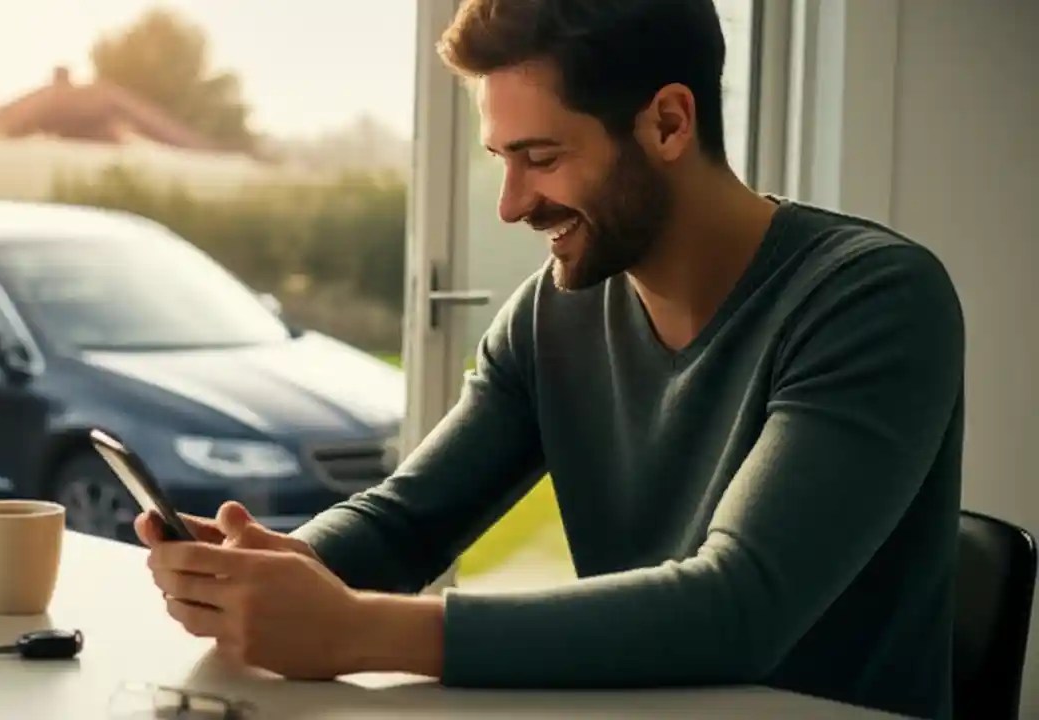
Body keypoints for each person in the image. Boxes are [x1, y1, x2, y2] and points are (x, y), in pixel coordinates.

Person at [135, 1, 964, 717]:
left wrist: (357, 631)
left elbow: (738, 608)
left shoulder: (873, 299)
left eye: (542, 159)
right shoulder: (553, 315)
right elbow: (407, 520)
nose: (511, 205)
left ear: (669, 123)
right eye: (502, 160)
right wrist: (273, 572)